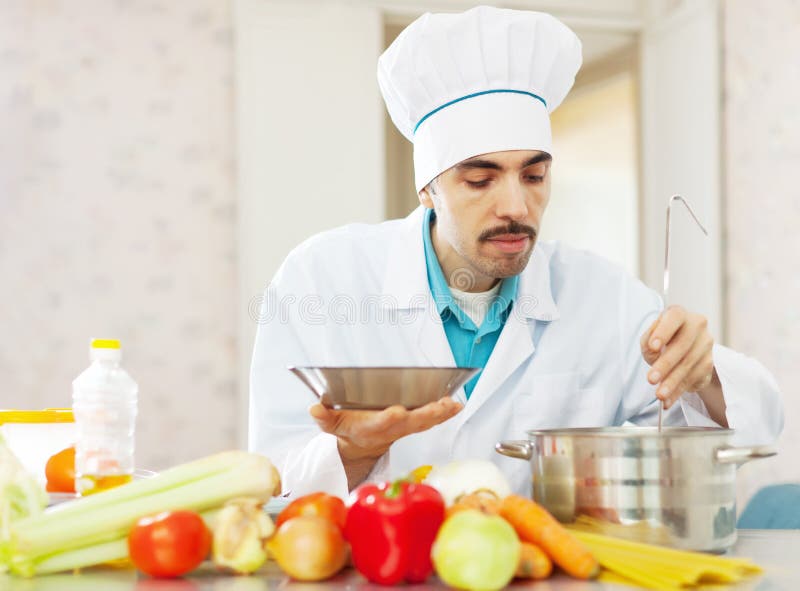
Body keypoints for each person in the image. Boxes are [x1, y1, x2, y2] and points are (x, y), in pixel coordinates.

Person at [249, 6, 783, 498]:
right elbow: (269, 478)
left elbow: (747, 429)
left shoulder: (602, 296)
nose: (516, 206)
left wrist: (704, 373)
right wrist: (355, 449)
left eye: (534, 176)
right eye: (480, 180)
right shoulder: (320, 278)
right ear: (429, 190)